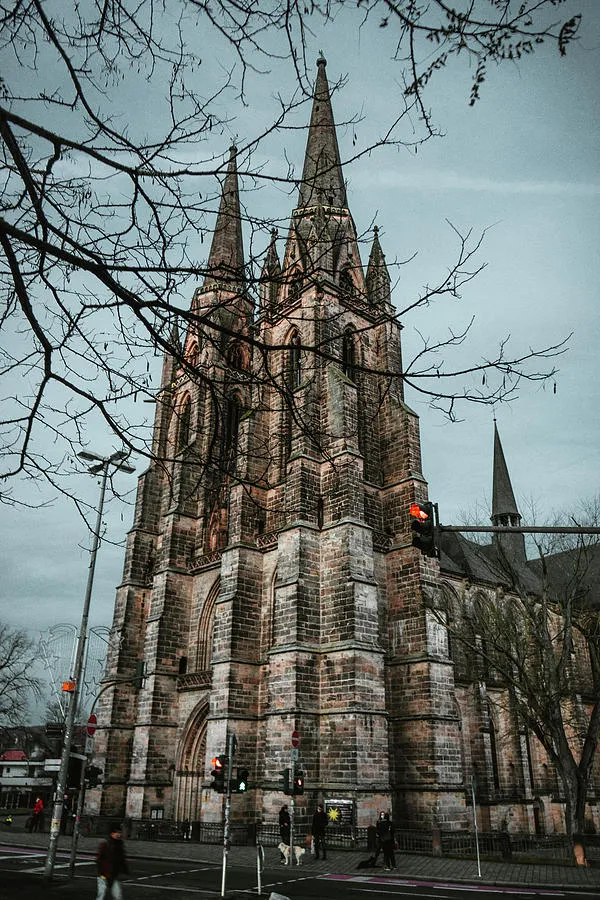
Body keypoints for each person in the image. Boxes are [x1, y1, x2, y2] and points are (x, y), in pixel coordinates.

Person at [96, 822, 129, 899]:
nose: (119, 834)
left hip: (113, 873)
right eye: (117, 833)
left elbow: (121, 858)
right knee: (102, 894)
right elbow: (99, 859)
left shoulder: (119, 844)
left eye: (119, 833)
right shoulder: (106, 844)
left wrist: (124, 869)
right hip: (105, 873)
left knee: (117, 894)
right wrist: (101, 872)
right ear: (112, 833)